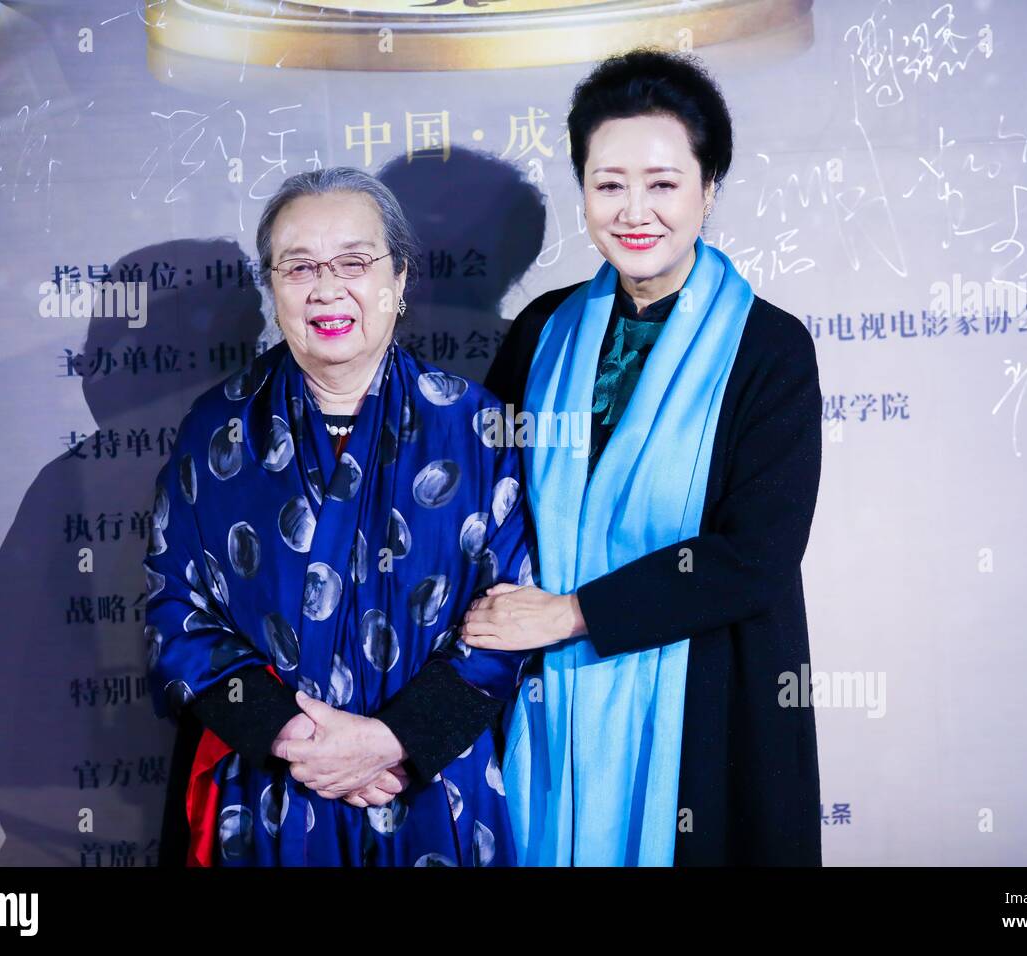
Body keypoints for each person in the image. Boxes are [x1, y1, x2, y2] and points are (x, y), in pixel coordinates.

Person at [465, 48, 825, 866]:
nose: (636, 210)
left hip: (708, 706)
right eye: (609, 183)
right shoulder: (540, 334)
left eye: (663, 183)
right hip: (544, 708)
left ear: (709, 189)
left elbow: (755, 555)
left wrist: (572, 613)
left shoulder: (769, 347)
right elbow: (483, 512)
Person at [144, 167, 535, 866]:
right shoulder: (218, 428)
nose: (327, 289)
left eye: (354, 263)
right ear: (273, 286)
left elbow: (510, 618)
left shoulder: (477, 428)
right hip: (272, 787)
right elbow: (175, 611)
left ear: (400, 278)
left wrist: (393, 743)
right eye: (299, 267)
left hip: (430, 790)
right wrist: (302, 742)